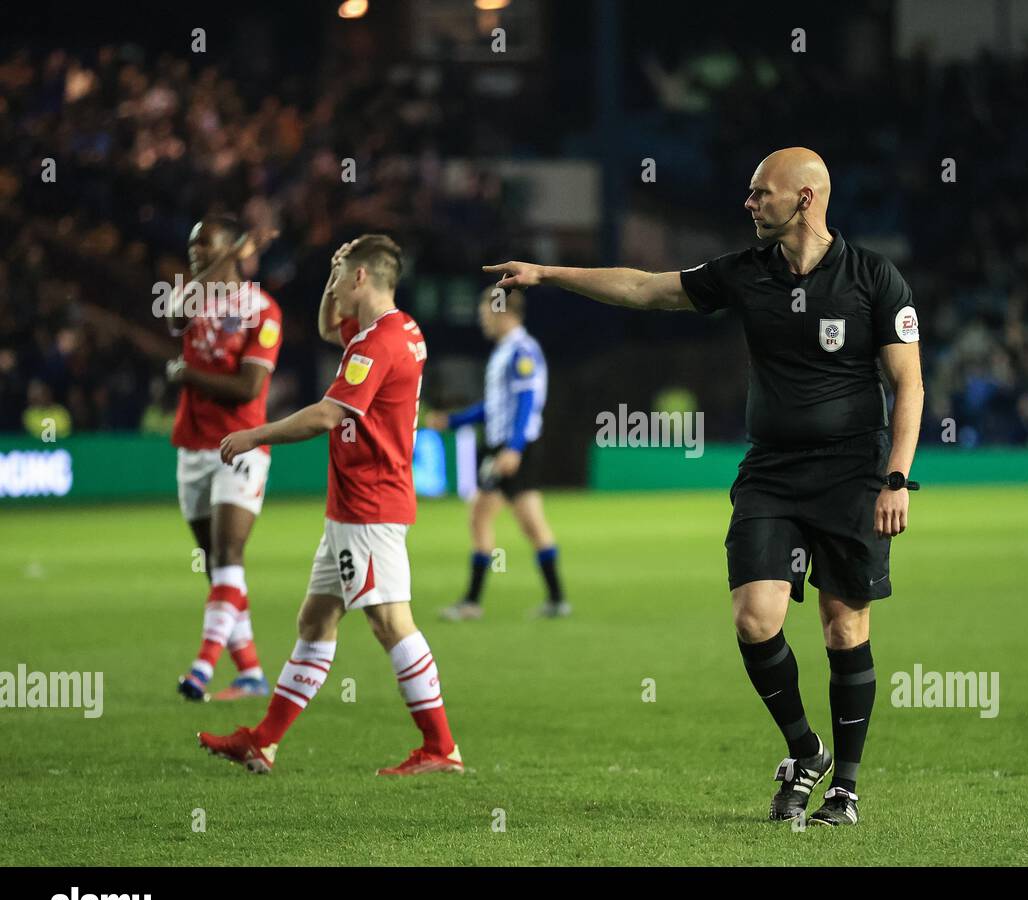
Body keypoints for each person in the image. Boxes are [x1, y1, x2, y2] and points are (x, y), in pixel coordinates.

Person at [481, 147, 924, 826]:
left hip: (852, 472)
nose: (748, 204)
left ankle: (847, 786)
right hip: (772, 471)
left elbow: (909, 384)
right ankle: (805, 751)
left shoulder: (874, 278)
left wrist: (896, 478)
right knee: (755, 617)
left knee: (843, 628)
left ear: (804, 199)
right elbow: (642, 287)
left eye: (760, 194)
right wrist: (548, 273)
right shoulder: (744, 273)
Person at [198, 235, 464, 776]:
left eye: (339, 274)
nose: (333, 284)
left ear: (361, 278)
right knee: (315, 621)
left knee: (391, 622)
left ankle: (440, 747)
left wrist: (255, 434)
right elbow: (326, 326)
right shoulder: (399, 329)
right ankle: (263, 742)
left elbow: (327, 416)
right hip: (357, 504)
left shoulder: (377, 344)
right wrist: (331, 275)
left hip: (369, 503)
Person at [166, 216, 279, 702]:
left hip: (240, 445)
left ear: (231, 248)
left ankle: (202, 668)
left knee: (229, 554)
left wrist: (187, 375)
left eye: (204, 245)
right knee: (216, 567)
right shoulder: (194, 300)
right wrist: (216, 262)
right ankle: (251, 672)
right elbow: (172, 315)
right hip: (192, 445)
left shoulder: (263, 310)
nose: (194, 251)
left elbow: (248, 388)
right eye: (191, 245)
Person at [427, 287, 569, 620]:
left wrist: (514, 448)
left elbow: (526, 402)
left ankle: (472, 602)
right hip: (509, 446)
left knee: (480, 515)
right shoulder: (507, 350)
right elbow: (494, 407)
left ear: (502, 311)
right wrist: (452, 420)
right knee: (531, 523)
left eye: (485, 314)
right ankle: (557, 599)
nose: (482, 321)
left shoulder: (521, 350)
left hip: (510, 447)